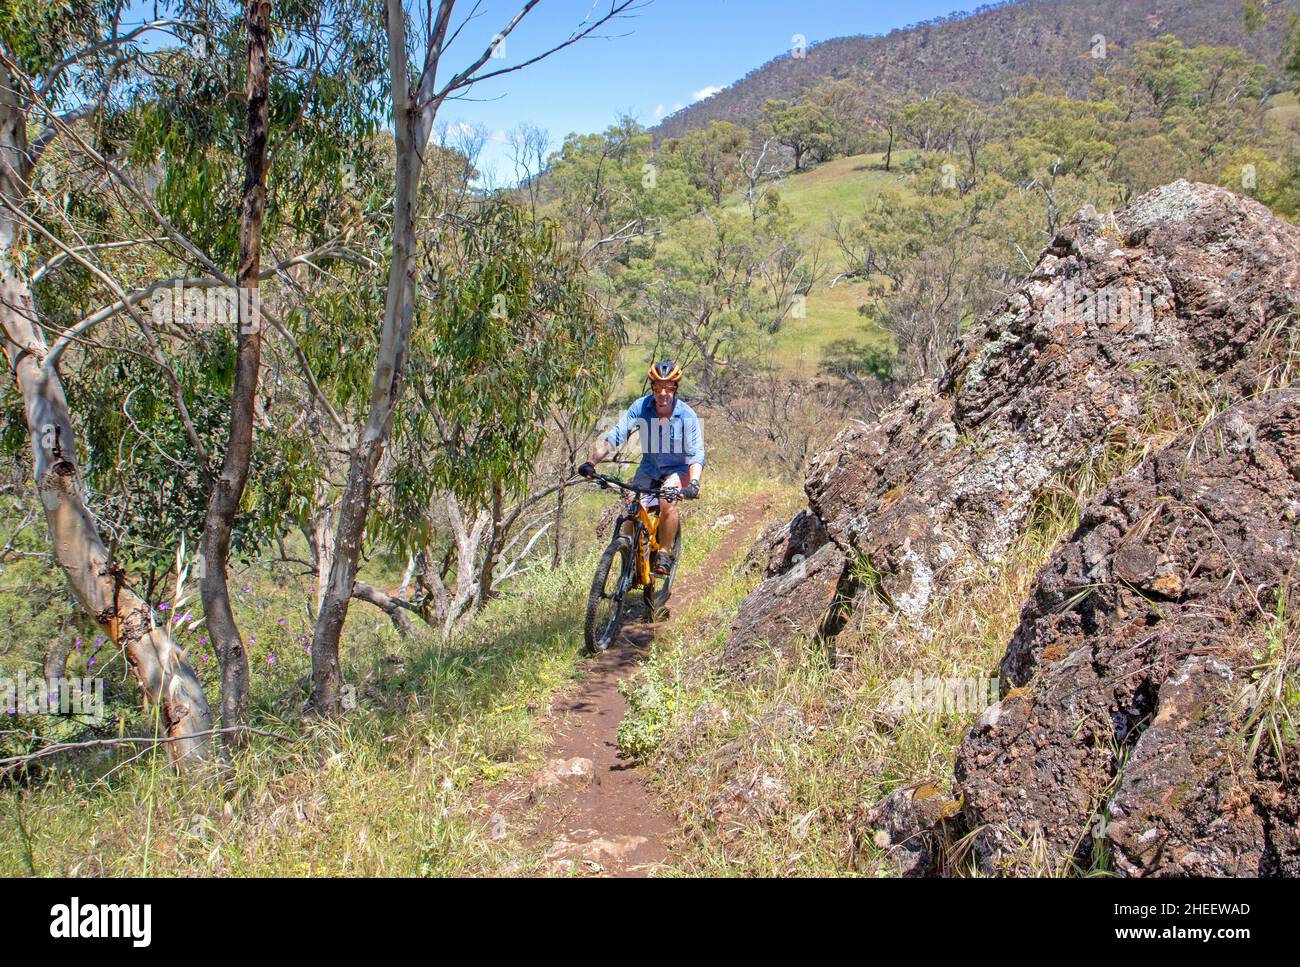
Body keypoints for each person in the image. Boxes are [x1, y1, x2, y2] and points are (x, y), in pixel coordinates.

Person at [578, 360, 705, 575]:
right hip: (650, 466)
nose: (663, 393)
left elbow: (696, 454)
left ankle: (664, 552)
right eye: (658, 387)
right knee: (634, 507)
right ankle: (628, 554)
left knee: (667, 501)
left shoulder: (687, 415)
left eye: (669, 388)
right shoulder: (641, 406)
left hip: (678, 469)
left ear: (675, 389)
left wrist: (693, 483)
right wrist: (592, 462)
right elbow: (616, 435)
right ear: (652, 387)